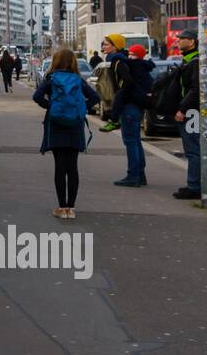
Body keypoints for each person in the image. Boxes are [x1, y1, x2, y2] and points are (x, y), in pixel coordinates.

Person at [33, 48, 101, 219]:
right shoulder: (78, 79)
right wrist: (81, 108)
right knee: (73, 167)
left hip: (56, 125)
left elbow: (37, 96)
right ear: (73, 62)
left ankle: (61, 207)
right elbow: (95, 98)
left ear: (55, 61)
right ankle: (71, 209)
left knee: (59, 167)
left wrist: (51, 106)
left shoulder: (51, 79)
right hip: (75, 126)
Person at [101, 33, 147, 187]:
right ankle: (140, 175)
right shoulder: (122, 59)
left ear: (115, 46)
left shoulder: (118, 61)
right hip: (134, 105)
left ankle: (133, 176)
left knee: (131, 142)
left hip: (129, 106)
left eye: (106, 44)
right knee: (135, 141)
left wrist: (120, 96)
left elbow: (126, 81)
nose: (103, 46)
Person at [171, 29, 203, 200]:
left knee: (193, 150)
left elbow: (194, 89)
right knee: (191, 149)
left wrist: (182, 109)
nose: (178, 41)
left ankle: (195, 186)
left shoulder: (195, 62)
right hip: (189, 109)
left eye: (181, 39)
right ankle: (194, 184)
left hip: (191, 111)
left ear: (191, 42)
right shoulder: (188, 60)